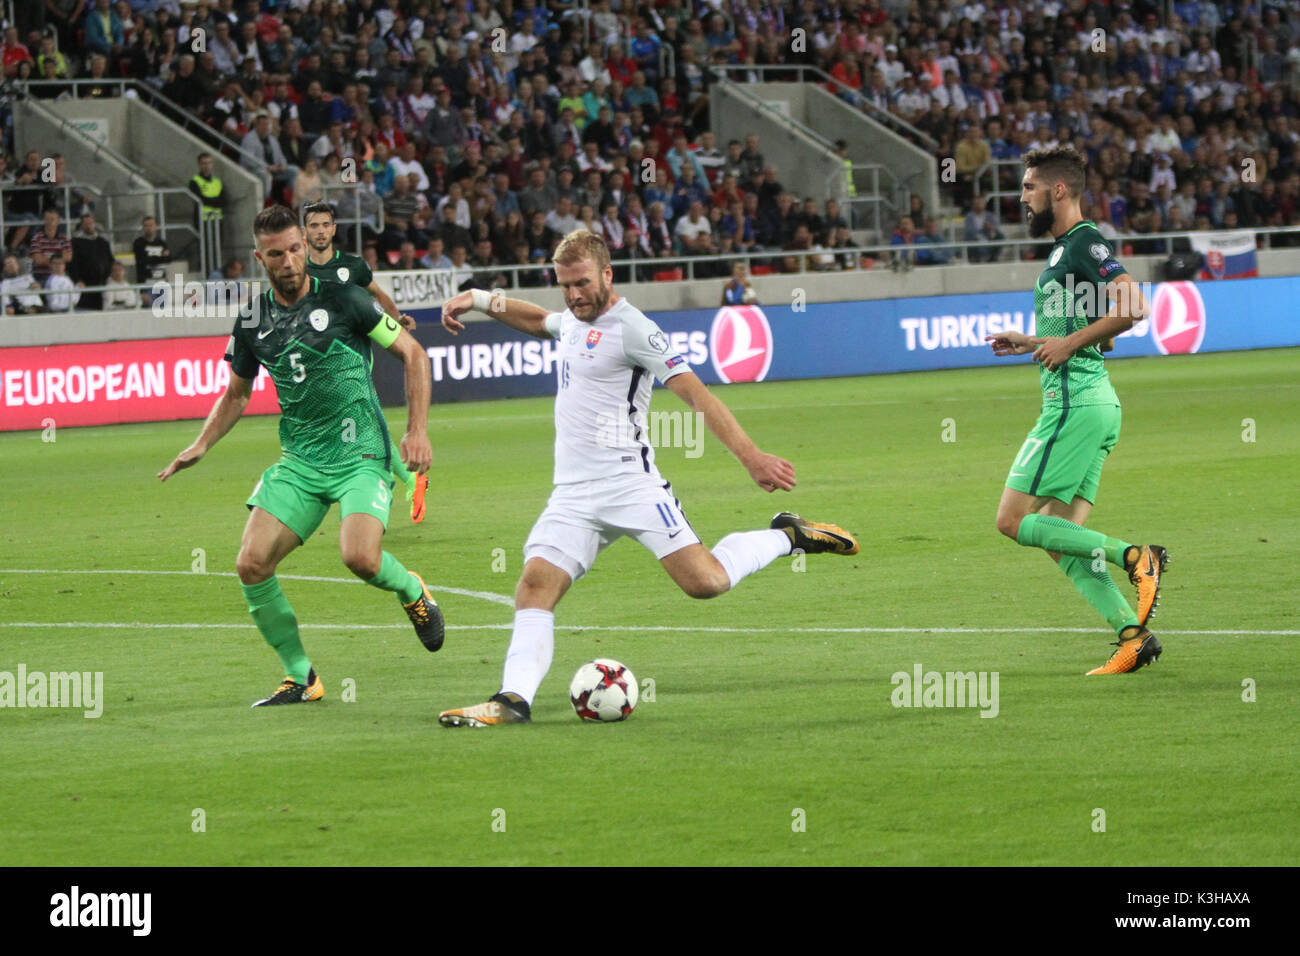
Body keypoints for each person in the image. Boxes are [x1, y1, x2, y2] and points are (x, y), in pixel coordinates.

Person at [436, 230, 859, 727]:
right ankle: (511, 701)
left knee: (706, 583)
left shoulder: (635, 329)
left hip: (630, 485)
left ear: (607, 275)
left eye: (583, 283)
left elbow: (699, 396)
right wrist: (482, 299)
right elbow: (537, 320)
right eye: (565, 285)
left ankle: (787, 535)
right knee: (534, 586)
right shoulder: (573, 320)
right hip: (572, 495)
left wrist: (751, 457)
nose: (574, 295)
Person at [157, 205, 441, 707]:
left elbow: (413, 354)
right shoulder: (252, 318)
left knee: (359, 557)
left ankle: (412, 590)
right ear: (258, 258)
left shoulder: (347, 299)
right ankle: (301, 676)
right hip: (302, 460)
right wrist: (201, 443)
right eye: (276, 254)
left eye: (295, 249)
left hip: (360, 452)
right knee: (251, 563)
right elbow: (237, 394)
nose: (289, 260)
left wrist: (417, 430)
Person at [984, 147, 1168, 676]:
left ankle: (1138, 557)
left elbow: (1134, 306)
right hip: (1097, 404)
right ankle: (1133, 637)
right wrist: (1034, 341)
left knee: (1012, 520)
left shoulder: (1085, 242)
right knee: (1060, 540)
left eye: (1027, 188)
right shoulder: (1066, 250)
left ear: (1057, 191)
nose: (1021, 198)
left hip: (1074, 406)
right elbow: (1092, 338)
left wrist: (1066, 346)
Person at [300, 199, 427, 523]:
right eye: (313, 225)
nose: (320, 231)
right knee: (362, 423)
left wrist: (396, 318)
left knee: (360, 422)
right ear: (305, 231)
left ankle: (379, 487)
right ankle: (405, 479)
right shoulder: (298, 268)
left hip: (353, 353)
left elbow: (377, 294)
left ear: (334, 229)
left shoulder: (352, 266)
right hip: (318, 360)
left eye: (325, 224)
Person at [70, 213, 114, 310]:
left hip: (102, 284)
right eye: (86, 223)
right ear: (81, 225)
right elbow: (72, 264)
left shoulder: (103, 242)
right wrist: (77, 280)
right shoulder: (75, 243)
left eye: (91, 223)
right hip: (85, 286)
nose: (89, 225)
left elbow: (111, 261)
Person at [133, 216, 172, 301]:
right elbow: (144, 261)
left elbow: (169, 259)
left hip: (162, 282)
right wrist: (161, 257)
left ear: (156, 227)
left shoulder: (162, 242)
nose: (149, 228)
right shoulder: (139, 243)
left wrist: (153, 259)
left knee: (163, 312)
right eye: (146, 225)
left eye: (151, 225)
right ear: (143, 228)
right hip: (147, 284)